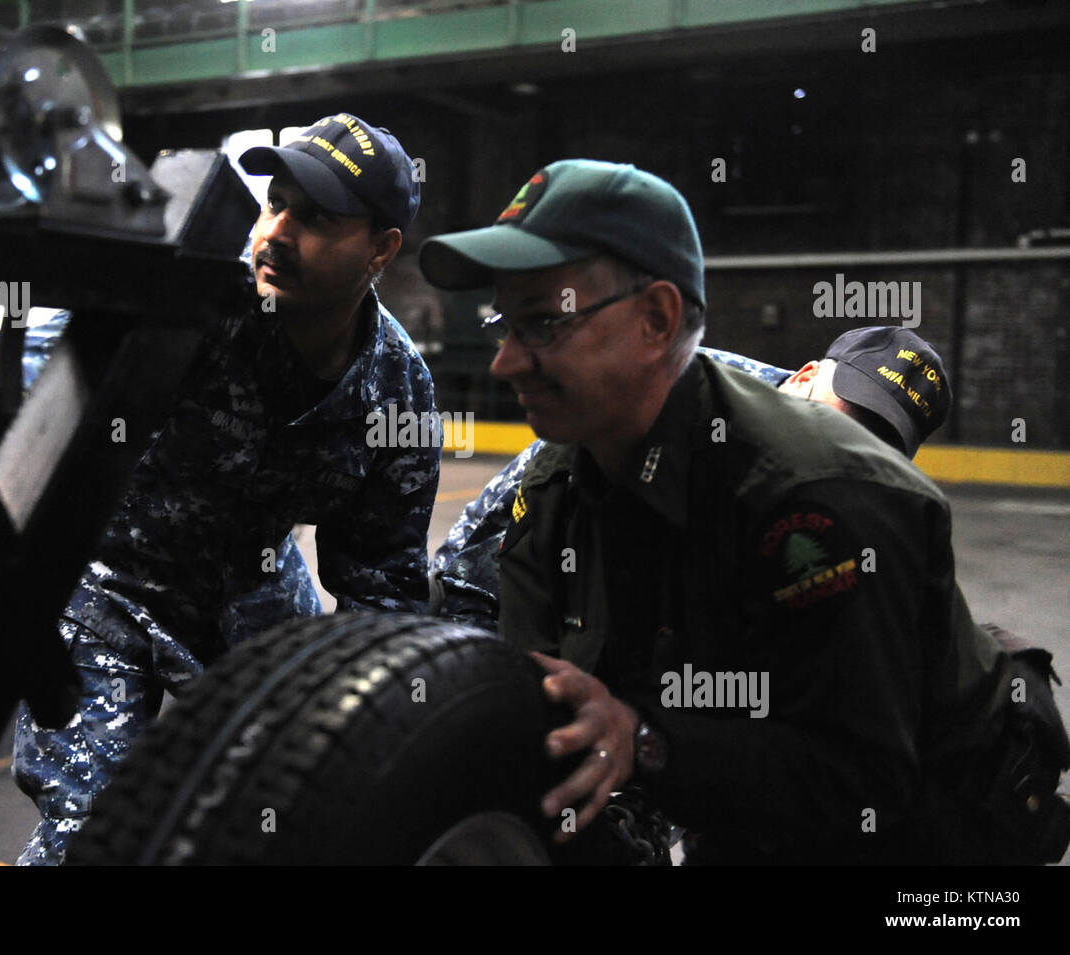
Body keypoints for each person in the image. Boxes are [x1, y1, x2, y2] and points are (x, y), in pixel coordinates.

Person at [418, 158, 1066, 864]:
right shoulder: (558, 478)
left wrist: (642, 739)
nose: (503, 364)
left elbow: (859, 786)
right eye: (506, 325)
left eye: (543, 324)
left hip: (939, 826)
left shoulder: (825, 497)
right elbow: (550, 709)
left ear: (657, 320)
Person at [0, 113, 439, 864]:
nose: (276, 233)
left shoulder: (397, 390)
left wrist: (375, 724)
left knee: (302, 809)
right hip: (108, 580)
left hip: (251, 590)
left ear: (381, 250)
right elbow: (47, 356)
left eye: (316, 217)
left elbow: (380, 584)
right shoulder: (198, 306)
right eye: (275, 203)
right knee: (92, 832)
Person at [429, 326, 949, 630]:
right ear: (806, 377)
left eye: (874, 440)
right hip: (498, 596)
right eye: (847, 412)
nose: (848, 439)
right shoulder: (678, 393)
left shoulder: (849, 495)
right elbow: (519, 508)